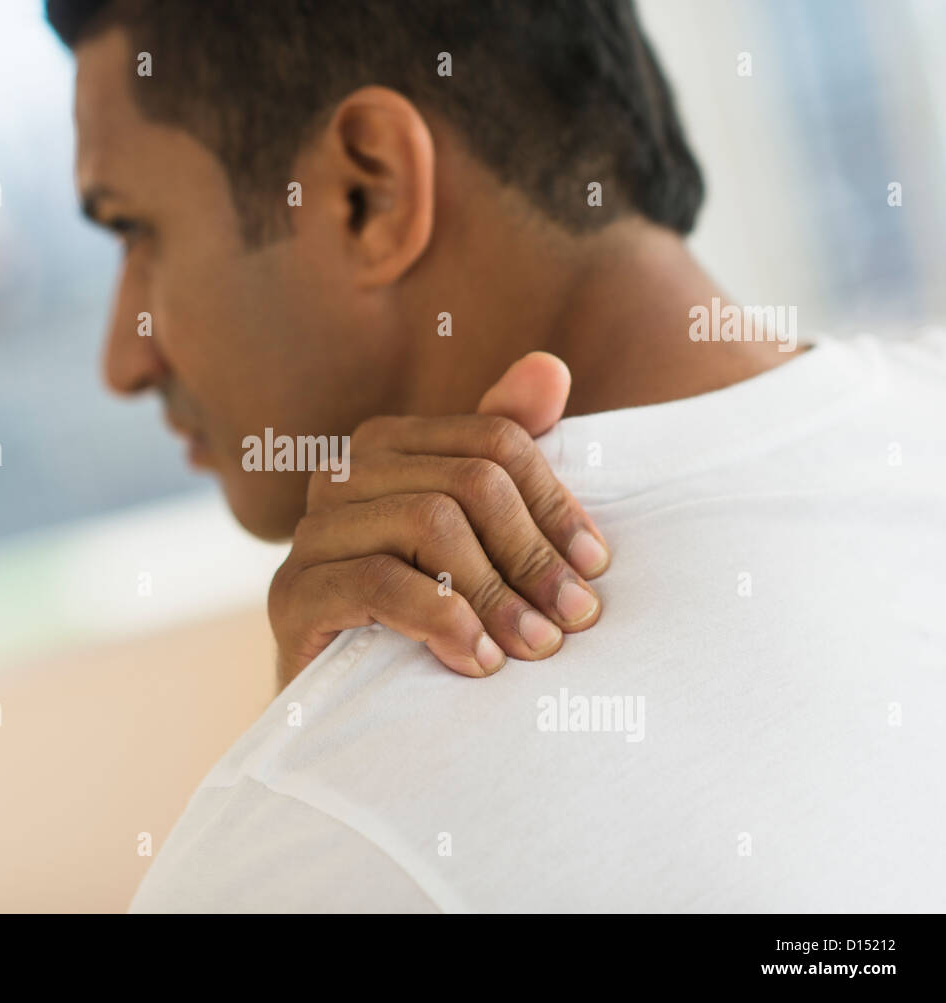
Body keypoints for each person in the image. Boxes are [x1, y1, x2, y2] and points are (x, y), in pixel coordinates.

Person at [47, 0, 946, 911]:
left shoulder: (309, 843)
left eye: (133, 231)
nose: (125, 359)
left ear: (371, 191)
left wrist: (323, 763)